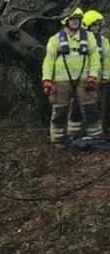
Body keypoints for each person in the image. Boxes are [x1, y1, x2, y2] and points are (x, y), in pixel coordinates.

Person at [42, 7, 101, 149]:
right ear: (66, 20)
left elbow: (95, 58)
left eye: (77, 19)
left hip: (84, 79)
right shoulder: (55, 40)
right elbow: (49, 61)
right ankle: (58, 140)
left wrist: (92, 76)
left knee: (90, 108)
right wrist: (47, 79)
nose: (75, 22)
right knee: (60, 110)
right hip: (61, 81)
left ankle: (96, 137)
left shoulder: (88, 37)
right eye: (72, 19)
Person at [84, 9, 110, 133]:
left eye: (98, 24)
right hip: (83, 78)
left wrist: (105, 77)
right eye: (94, 24)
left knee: (102, 104)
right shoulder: (80, 40)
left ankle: (102, 129)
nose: (97, 27)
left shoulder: (103, 41)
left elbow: (107, 59)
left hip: (99, 78)